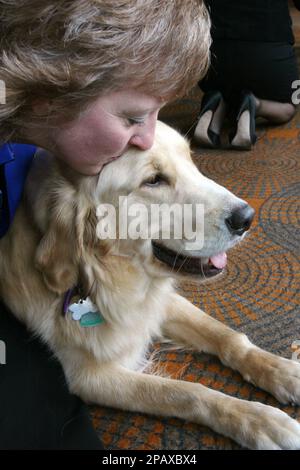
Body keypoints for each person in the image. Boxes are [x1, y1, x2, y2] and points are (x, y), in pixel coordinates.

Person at [0, 0, 211, 449]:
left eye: (157, 114)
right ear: (49, 92)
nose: (148, 137)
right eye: (133, 117)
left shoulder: (53, 161)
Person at [194, 0, 300, 150]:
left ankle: (217, 107)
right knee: (291, 104)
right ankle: (255, 105)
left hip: (212, 58)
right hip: (269, 58)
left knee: (226, 87)